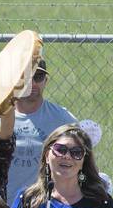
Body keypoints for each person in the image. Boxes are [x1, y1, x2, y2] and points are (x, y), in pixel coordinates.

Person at [5, 59, 78, 200]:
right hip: (1, 207)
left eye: (38, 77)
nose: (32, 84)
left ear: (46, 80)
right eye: (25, 77)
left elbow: (83, 162)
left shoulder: (63, 120)